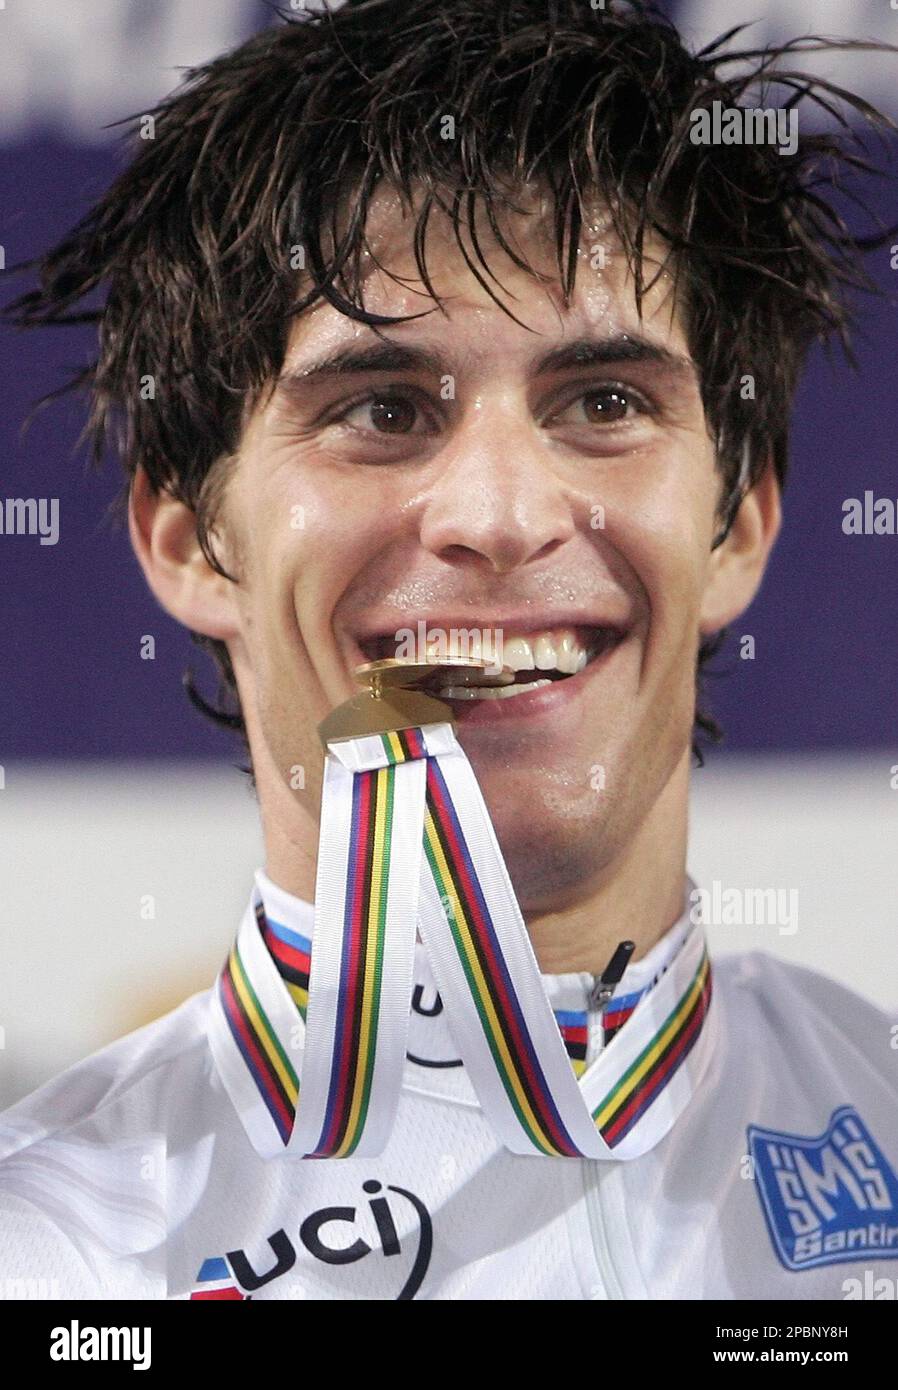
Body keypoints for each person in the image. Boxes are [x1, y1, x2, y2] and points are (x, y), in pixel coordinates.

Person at [1, 0, 896, 1300]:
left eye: (602, 401)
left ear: (739, 524)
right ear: (190, 539)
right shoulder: (45, 1253)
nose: (499, 515)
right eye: (380, 407)